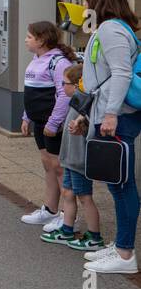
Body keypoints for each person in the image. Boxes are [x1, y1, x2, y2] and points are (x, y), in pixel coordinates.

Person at [71, 0, 141, 274]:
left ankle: (125, 255)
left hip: (119, 116)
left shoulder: (110, 30)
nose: (85, 7)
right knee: (117, 182)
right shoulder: (116, 29)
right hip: (115, 113)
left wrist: (110, 114)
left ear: (99, 2)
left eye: (88, 1)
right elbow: (106, 77)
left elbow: (122, 73)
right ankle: (121, 245)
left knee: (122, 184)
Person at [18, 21, 74, 228]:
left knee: (59, 168)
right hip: (40, 123)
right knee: (48, 165)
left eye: (29, 37)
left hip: (53, 126)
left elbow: (64, 96)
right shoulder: (36, 59)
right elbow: (31, 92)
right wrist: (27, 117)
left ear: (41, 40)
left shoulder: (58, 63)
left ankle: (68, 216)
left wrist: (54, 123)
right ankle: (50, 210)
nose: (26, 40)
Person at [45, 62, 105, 251]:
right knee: (68, 193)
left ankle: (95, 236)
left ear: (78, 84)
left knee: (84, 196)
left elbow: (89, 127)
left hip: (79, 160)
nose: (62, 87)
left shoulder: (84, 103)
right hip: (70, 159)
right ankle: (67, 229)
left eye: (65, 83)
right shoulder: (75, 101)